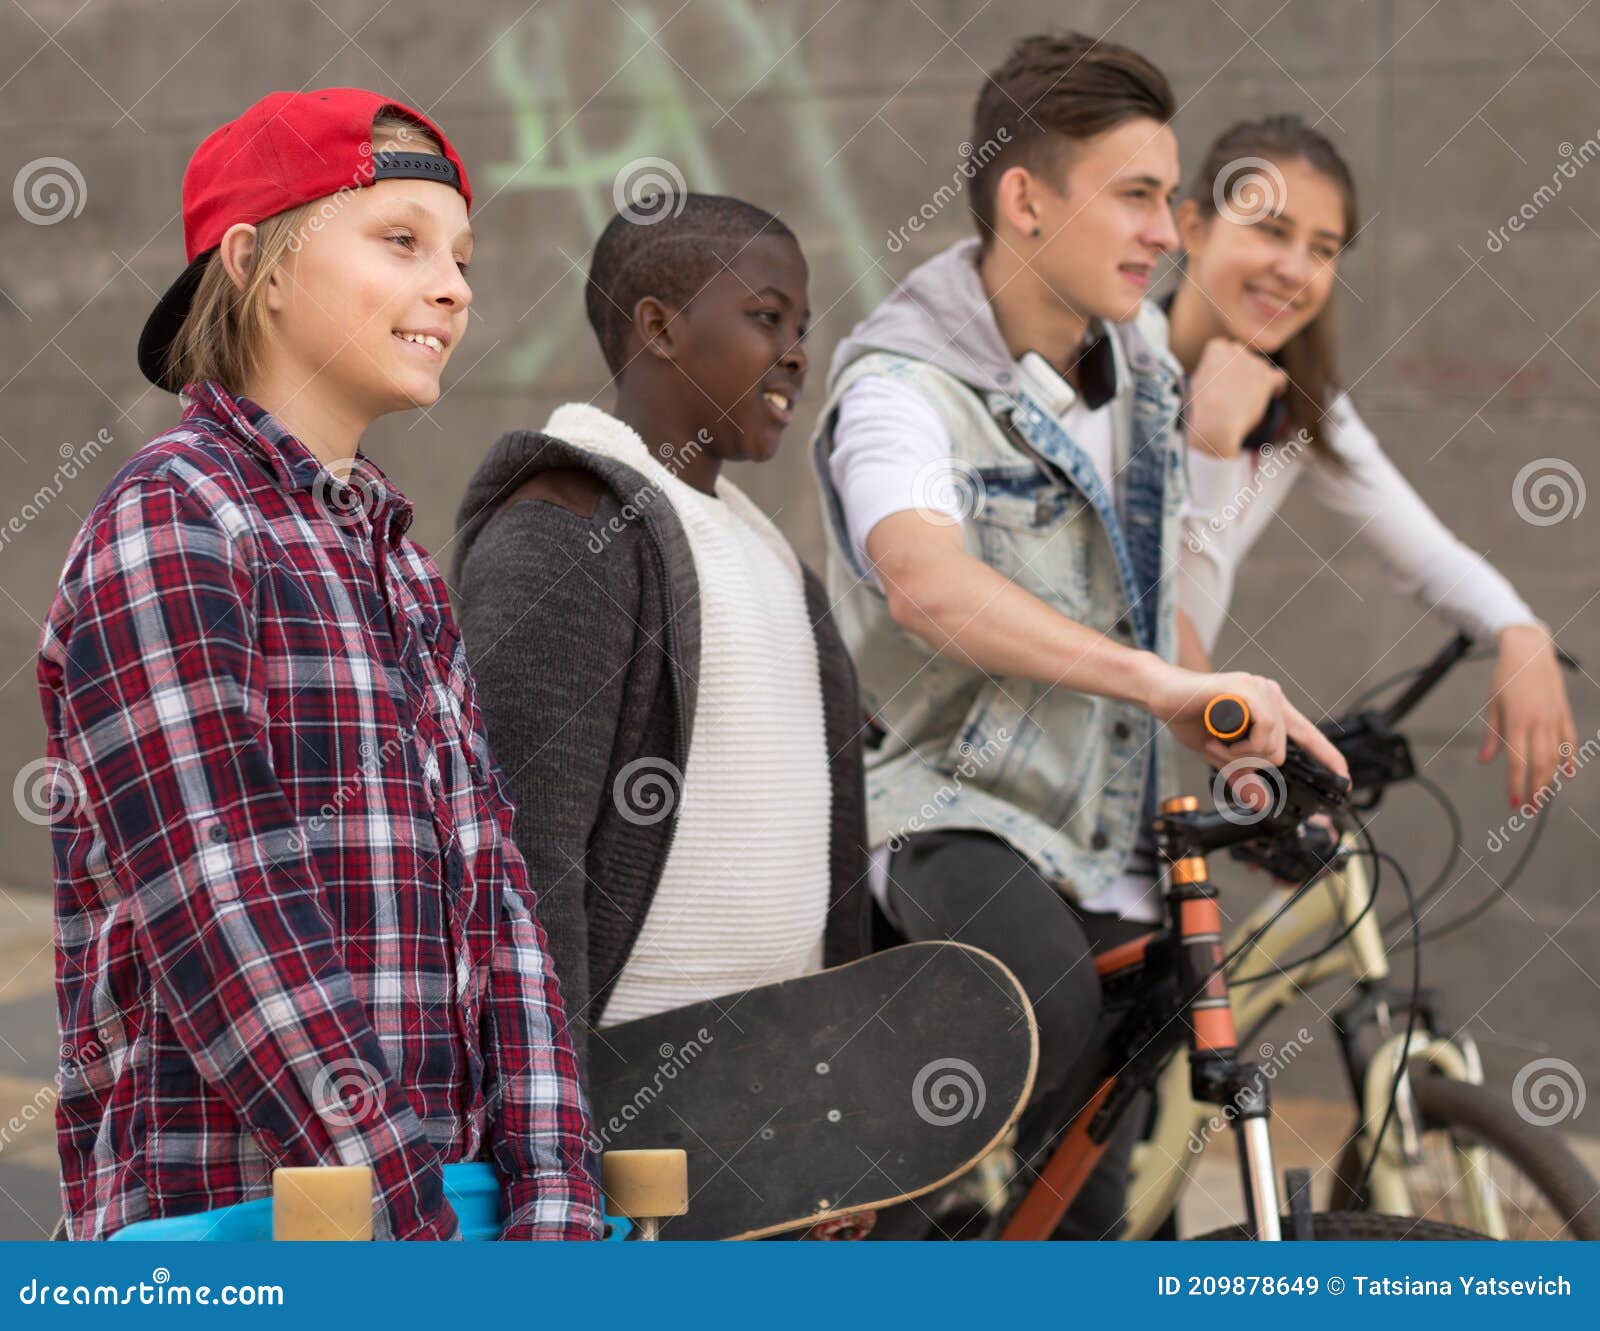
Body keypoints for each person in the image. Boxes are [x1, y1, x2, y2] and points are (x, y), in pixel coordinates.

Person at [809, 32, 1349, 1237]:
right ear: (1026, 201)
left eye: (1170, 197)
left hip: (1107, 836)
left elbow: (1151, 615)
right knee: (1040, 1012)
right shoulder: (900, 389)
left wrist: (1235, 732)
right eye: (1137, 196)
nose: (1167, 232)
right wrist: (1157, 682)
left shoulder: (1139, 356)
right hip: (945, 812)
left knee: (1099, 1192)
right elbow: (924, 582)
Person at [38, 89, 600, 1241]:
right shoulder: (174, 518)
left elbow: (496, 896)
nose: (453, 287)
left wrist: (554, 1196)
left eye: (460, 258)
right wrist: (407, 1223)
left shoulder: (401, 564)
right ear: (258, 265)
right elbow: (219, 900)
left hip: (437, 1222)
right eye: (401, 240)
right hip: (234, 1228)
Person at [452, 194, 871, 1080]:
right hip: (629, 1100)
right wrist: (550, 1112)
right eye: (767, 317)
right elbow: (524, 853)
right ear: (660, 327)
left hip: (783, 1093)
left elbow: (833, 845)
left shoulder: (774, 560)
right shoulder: (566, 525)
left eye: (802, 326)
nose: (797, 351)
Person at [1171, 114, 1577, 808]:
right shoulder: (1108, 377)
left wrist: (1521, 630)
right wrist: (1210, 451)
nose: (1293, 268)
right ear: (1193, 227)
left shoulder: (1302, 408)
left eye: (1322, 249)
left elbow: (1427, 556)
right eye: (1270, 230)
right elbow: (1163, 632)